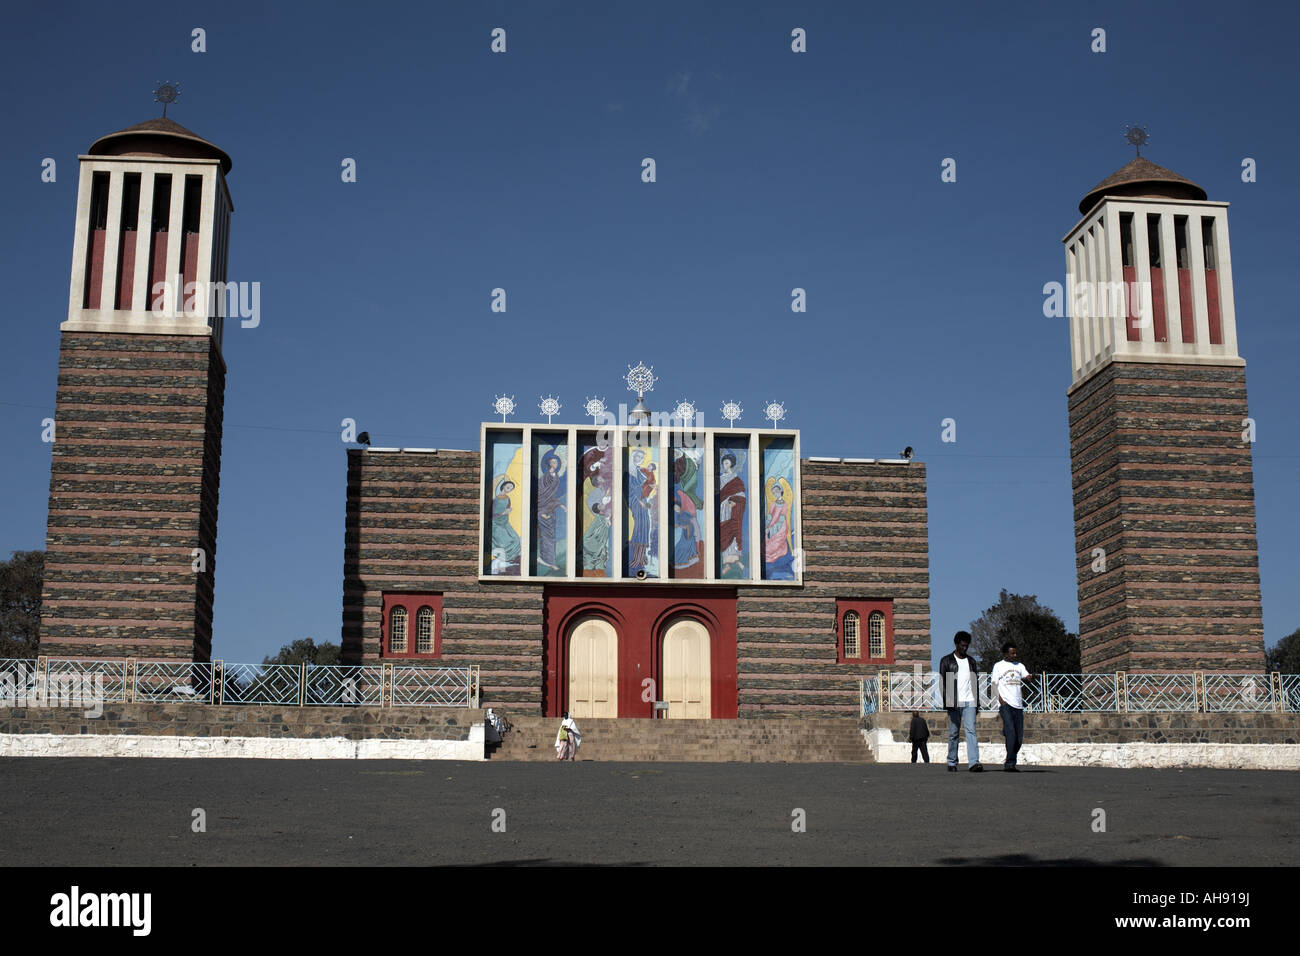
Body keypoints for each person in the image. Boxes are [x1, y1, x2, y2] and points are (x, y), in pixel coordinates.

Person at [938, 631, 983, 772]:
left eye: (967, 646)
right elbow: (942, 683)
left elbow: (975, 683)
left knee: (971, 731)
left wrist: (977, 703)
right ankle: (951, 761)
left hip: (970, 701)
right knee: (954, 733)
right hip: (954, 701)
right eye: (962, 645)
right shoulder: (946, 661)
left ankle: (974, 762)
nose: (965, 648)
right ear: (956, 644)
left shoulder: (971, 661)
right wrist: (948, 701)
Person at [990, 642, 1031, 772]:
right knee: (1012, 734)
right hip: (1006, 704)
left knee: (1018, 738)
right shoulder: (998, 666)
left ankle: (1011, 754)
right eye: (1012, 653)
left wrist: (1031, 677)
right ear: (1005, 654)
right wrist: (1001, 701)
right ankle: (1010, 764)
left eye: (1016, 652)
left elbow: (1026, 676)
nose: (1015, 655)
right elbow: (994, 685)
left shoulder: (1020, 665)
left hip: (1018, 705)